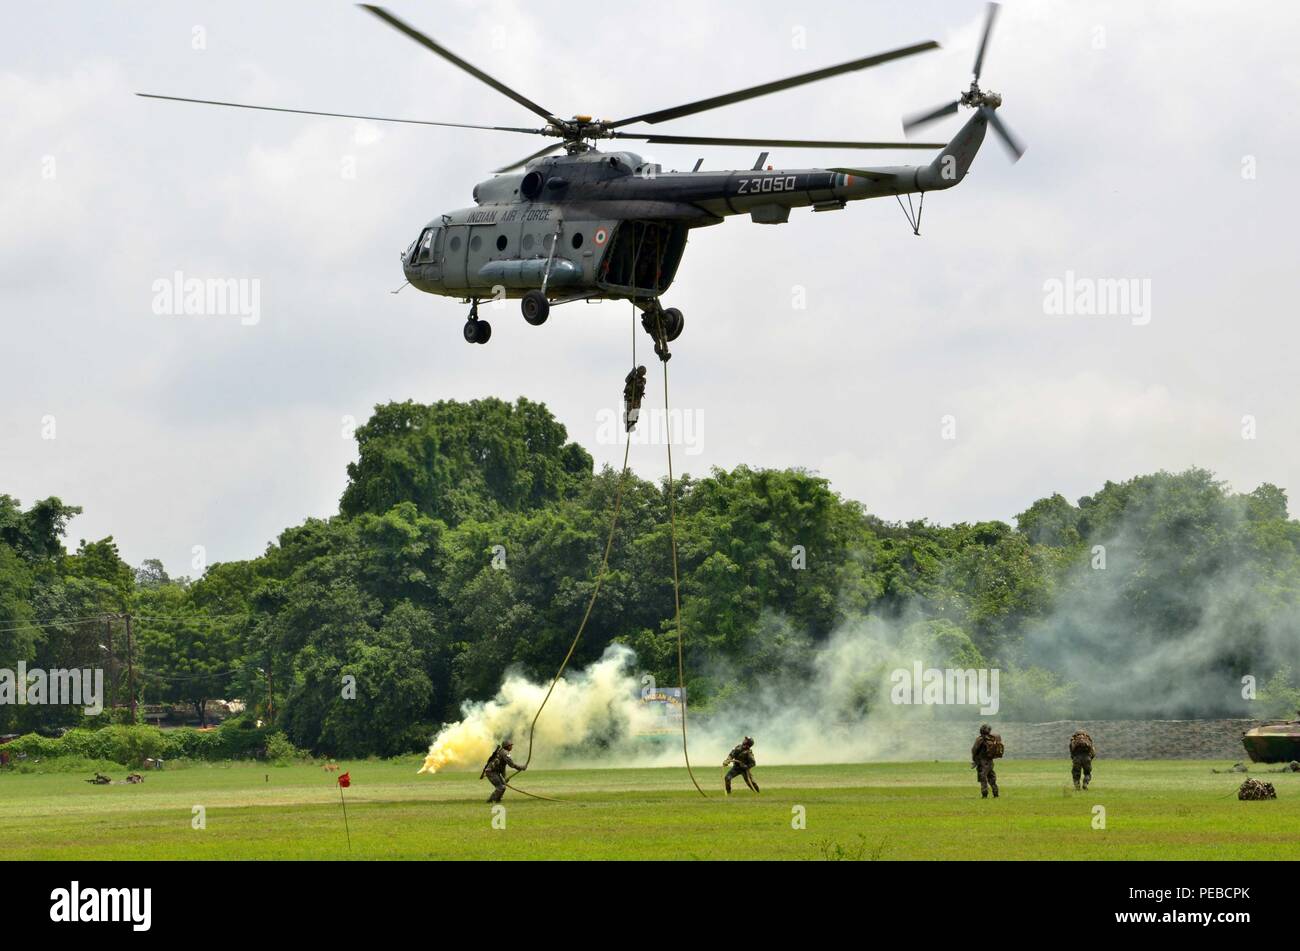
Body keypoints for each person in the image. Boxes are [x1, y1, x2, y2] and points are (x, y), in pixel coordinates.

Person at [481, 739, 525, 804]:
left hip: (495, 772)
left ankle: (497, 800)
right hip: (491, 772)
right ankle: (490, 800)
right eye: (510, 745)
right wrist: (521, 767)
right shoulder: (505, 753)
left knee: (503, 786)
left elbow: (502, 767)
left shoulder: (502, 752)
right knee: (501, 787)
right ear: (507, 746)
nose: (511, 747)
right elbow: (511, 764)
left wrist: (504, 778)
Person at [970, 724, 1002, 799]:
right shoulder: (992, 739)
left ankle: (984, 794)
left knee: (983, 778)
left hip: (982, 762)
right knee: (992, 777)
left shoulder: (980, 739)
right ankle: (995, 793)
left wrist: (974, 760)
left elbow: (974, 750)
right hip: (990, 762)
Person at [623, 365, 647, 432]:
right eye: (641, 371)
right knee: (629, 411)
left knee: (635, 412)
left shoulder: (643, 380)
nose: (642, 373)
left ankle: (631, 424)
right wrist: (631, 374)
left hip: (636, 399)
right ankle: (628, 424)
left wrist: (635, 379)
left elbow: (641, 386)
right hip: (629, 397)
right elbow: (626, 380)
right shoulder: (632, 375)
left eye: (643, 372)